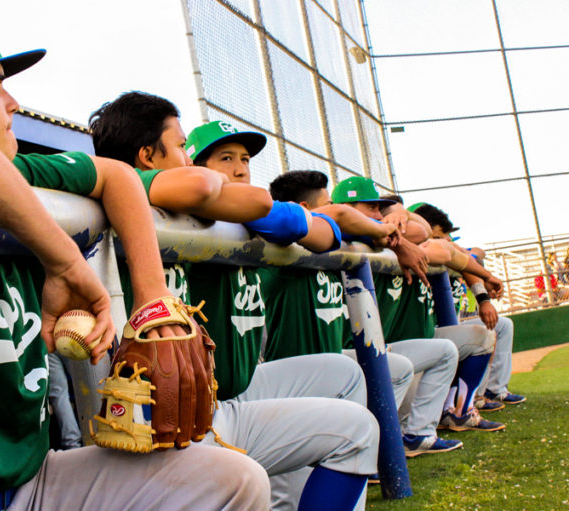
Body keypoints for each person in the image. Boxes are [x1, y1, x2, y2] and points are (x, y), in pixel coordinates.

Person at [0, 16, 270, 511]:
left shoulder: (18, 174)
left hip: (31, 484)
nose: (13, 103)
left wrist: (152, 298)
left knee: (234, 480)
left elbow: (119, 177)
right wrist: (65, 262)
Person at [91, 97, 379, 511]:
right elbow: (206, 187)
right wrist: (256, 207)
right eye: (186, 149)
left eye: (244, 159)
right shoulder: (134, 191)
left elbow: (320, 232)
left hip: (218, 392)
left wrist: (262, 211)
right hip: (168, 418)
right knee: (355, 430)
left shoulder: (206, 212)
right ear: (148, 156)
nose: (240, 169)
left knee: (344, 373)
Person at [269, 170, 463, 457]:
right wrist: (392, 234)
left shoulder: (350, 237)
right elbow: (339, 215)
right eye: (370, 207)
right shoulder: (282, 235)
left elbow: (423, 235)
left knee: (402, 365)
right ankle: (366, 449)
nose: (378, 214)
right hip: (287, 373)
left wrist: (398, 222)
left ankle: (385, 446)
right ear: (306, 209)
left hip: (331, 358)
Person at [328, 183, 503, 433]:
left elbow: (441, 244)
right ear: (346, 208)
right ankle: (405, 434)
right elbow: (424, 235)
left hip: (391, 345)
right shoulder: (336, 236)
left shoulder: (390, 240)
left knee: (479, 337)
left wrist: (402, 217)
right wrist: (397, 226)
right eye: (371, 207)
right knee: (407, 369)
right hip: (357, 351)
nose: (379, 215)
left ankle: (452, 412)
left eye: (381, 209)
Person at [411, 202, 526, 407]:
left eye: (446, 235)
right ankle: (463, 403)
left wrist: (484, 297)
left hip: (445, 324)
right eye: (439, 236)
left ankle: (492, 390)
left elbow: (474, 254)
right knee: (479, 336)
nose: (447, 239)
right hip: (426, 328)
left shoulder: (449, 249)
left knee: (501, 325)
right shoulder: (412, 248)